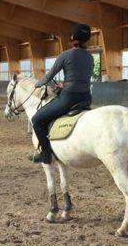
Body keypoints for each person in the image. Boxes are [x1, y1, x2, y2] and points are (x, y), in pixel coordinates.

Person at [30, 23, 94, 165]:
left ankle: (46, 155)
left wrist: (36, 84)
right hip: (86, 97)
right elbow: (81, 78)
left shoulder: (65, 55)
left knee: (37, 120)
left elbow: (48, 77)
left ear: (72, 38)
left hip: (69, 98)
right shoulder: (90, 57)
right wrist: (63, 85)